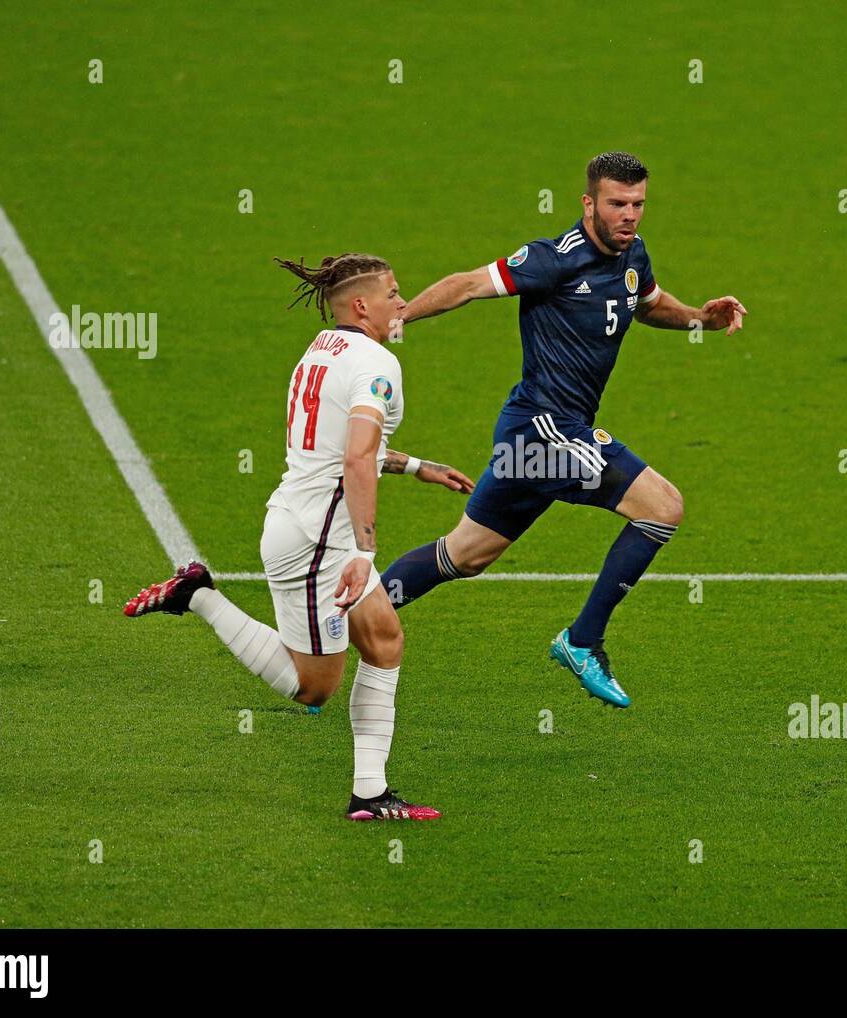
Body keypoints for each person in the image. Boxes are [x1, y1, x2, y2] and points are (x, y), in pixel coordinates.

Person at [381, 152, 746, 707]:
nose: (629, 215)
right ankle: (582, 641)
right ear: (588, 202)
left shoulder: (633, 254)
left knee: (464, 555)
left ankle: (334, 623)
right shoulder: (554, 259)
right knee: (663, 507)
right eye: (617, 204)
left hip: (537, 435)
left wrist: (700, 316)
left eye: (638, 204)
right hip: (542, 429)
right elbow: (469, 284)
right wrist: (402, 316)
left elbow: (646, 304)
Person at [123, 253, 473, 820]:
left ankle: (370, 795)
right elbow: (357, 457)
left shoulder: (320, 350)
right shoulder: (377, 363)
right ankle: (199, 596)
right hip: (318, 545)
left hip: (308, 525)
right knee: (313, 688)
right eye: (393, 293)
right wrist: (364, 552)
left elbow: (343, 447)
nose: (402, 303)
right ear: (361, 304)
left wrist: (417, 467)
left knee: (384, 642)